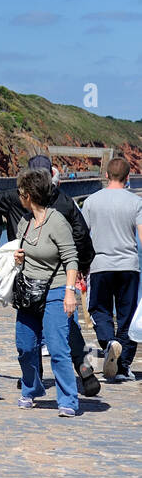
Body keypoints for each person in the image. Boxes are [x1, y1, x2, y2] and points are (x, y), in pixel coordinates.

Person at [0, 155, 101, 396]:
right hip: (60, 277)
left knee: (30, 327)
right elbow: (82, 235)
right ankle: (82, 368)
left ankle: (32, 376)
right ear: (52, 176)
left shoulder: (17, 199)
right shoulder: (65, 201)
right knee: (64, 325)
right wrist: (83, 265)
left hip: (28, 277)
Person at [6, 168, 81, 416]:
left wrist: (70, 293)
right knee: (25, 346)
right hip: (29, 290)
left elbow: (71, 259)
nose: (18, 196)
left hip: (57, 289)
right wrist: (18, 259)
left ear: (28, 194)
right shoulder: (24, 223)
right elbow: (22, 257)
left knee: (58, 348)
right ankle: (32, 388)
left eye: (20, 192)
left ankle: (68, 400)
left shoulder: (57, 221)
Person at [81, 156, 142, 381]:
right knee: (127, 315)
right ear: (127, 178)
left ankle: (108, 342)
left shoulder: (91, 201)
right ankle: (123, 366)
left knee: (99, 309)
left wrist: (80, 266)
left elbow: (82, 236)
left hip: (100, 265)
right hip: (129, 266)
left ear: (106, 175)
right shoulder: (135, 202)